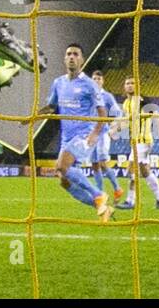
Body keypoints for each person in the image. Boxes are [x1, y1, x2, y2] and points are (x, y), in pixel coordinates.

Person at [39, 44, 113, 222]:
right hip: (66, 137)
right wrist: (34, 116)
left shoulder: (89, 84)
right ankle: (101, 207)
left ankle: (99, 194)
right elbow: (51, 106)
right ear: (65, 59)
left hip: (84, 135)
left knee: (61, 167)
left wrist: (94, 134)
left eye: (75, 54)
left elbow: (103, 114)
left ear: (82, 60)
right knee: (64, 180)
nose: (71, 57)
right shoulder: (58, 83)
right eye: (68, 54)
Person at [115, 75, 159, 210]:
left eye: (132, 83)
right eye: (127, 83)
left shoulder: (142, 100)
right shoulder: (127, 103)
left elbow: (156, 115)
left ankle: (130, 201)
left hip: (143, 141)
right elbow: (128, 121)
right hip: (136, 142)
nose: (130, 85)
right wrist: (115, 129)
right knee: (145, 172)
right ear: (124, 86)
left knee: (131, 169)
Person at [90, 69, 124, 201]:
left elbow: (118, 113)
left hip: (102, 134)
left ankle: (117, 189)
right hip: (90, 134)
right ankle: (100, 193)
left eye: (99, 79)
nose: (96, 81)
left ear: (103, 81)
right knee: (94, 164)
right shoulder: (88, 95)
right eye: (94, 79)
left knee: (102, 163)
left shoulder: (107, 96)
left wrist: (114, 127)